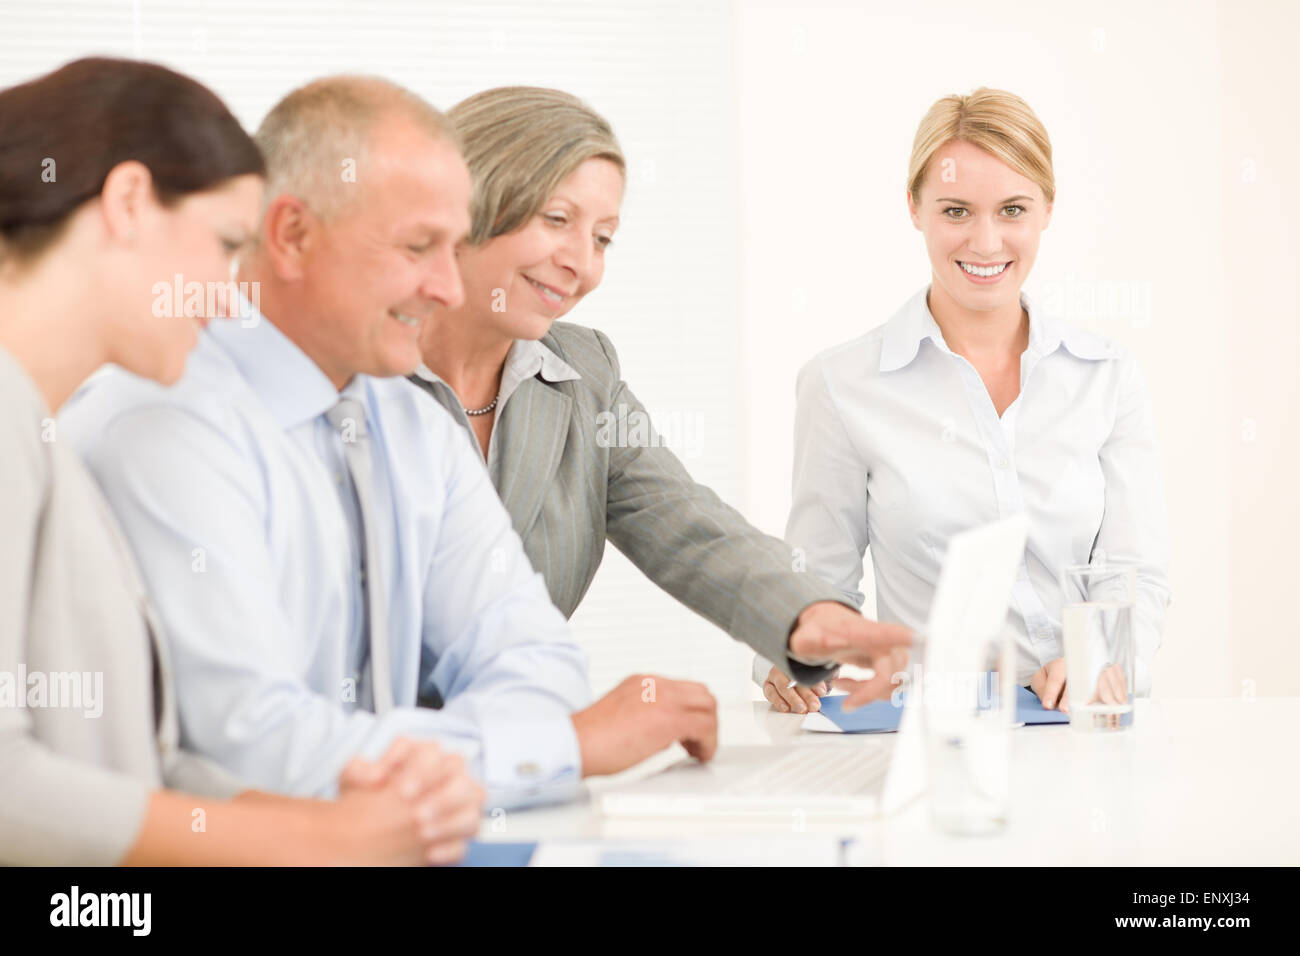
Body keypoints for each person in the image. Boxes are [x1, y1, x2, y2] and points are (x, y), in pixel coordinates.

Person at [61, 75, 719, 811]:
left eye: (456, 246)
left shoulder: (409, 425)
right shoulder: (165, 425)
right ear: (292, 236)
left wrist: (489, 756)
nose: (447, 286)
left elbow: (534, 660)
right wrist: (559, 749)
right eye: (418, 247)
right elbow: (254, 748)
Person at [0, 57, 481, 865]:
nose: (228, 298)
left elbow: (126, 763)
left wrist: (342, 808)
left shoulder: (46, 442)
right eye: (225, 245)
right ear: (127, 204)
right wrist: (314, 839)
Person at [409, 87, 912, 716]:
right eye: (558, 220)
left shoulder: (583, 372)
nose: (581, 265)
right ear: (469, 197)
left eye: (603, 239)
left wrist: (806, 615)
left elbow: (686, 526)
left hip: (516, 763)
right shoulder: (357, 376)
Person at [758, 87, 1171, 710]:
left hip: (1081, 725)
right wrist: (792, 651)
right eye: (956, 211)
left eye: (1012, 209)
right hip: (932, 737)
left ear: (1047, 210)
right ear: (914, 208)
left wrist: (1097, 660)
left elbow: (1136, 578)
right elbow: (819, 584)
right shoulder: (842, 385)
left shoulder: (1106, 377)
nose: (985, 242)